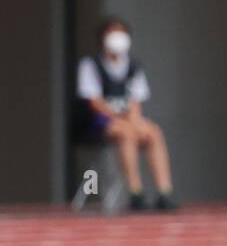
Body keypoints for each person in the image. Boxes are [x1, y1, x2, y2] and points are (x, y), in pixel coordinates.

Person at [74, 16, 177, 210]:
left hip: (127, 119)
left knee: (153, 132)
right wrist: (121, 119)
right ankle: (135, 192)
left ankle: (164, 192)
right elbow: (94, 102)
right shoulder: (90, 65)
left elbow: (136, 102)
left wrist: (135, 121)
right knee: (126, 133)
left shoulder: (133, 66)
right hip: (98, 123)